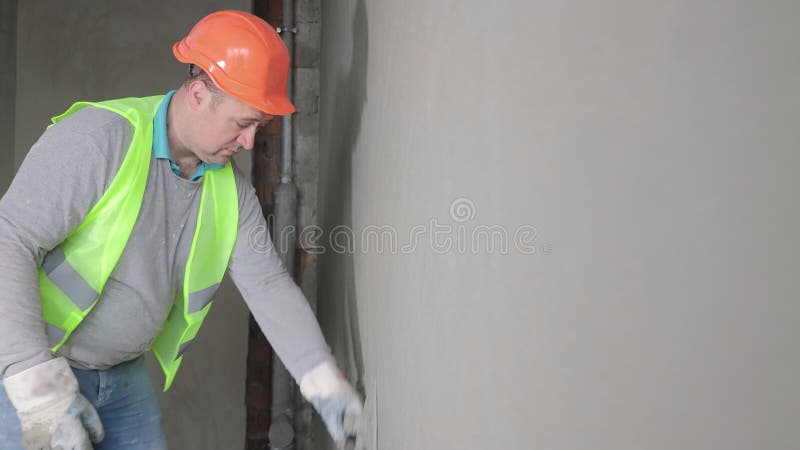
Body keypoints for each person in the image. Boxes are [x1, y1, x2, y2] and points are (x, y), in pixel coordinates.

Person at [0, 10, 362, 450]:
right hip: (30, 369)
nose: (249, 142)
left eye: (259, 127)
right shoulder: (98, 142)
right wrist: (38, 391)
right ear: (197, 94)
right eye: (242, 123)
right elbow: (9, 239)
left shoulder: (231, 193)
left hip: (122, 376)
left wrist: (323, 381)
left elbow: (268, 284)